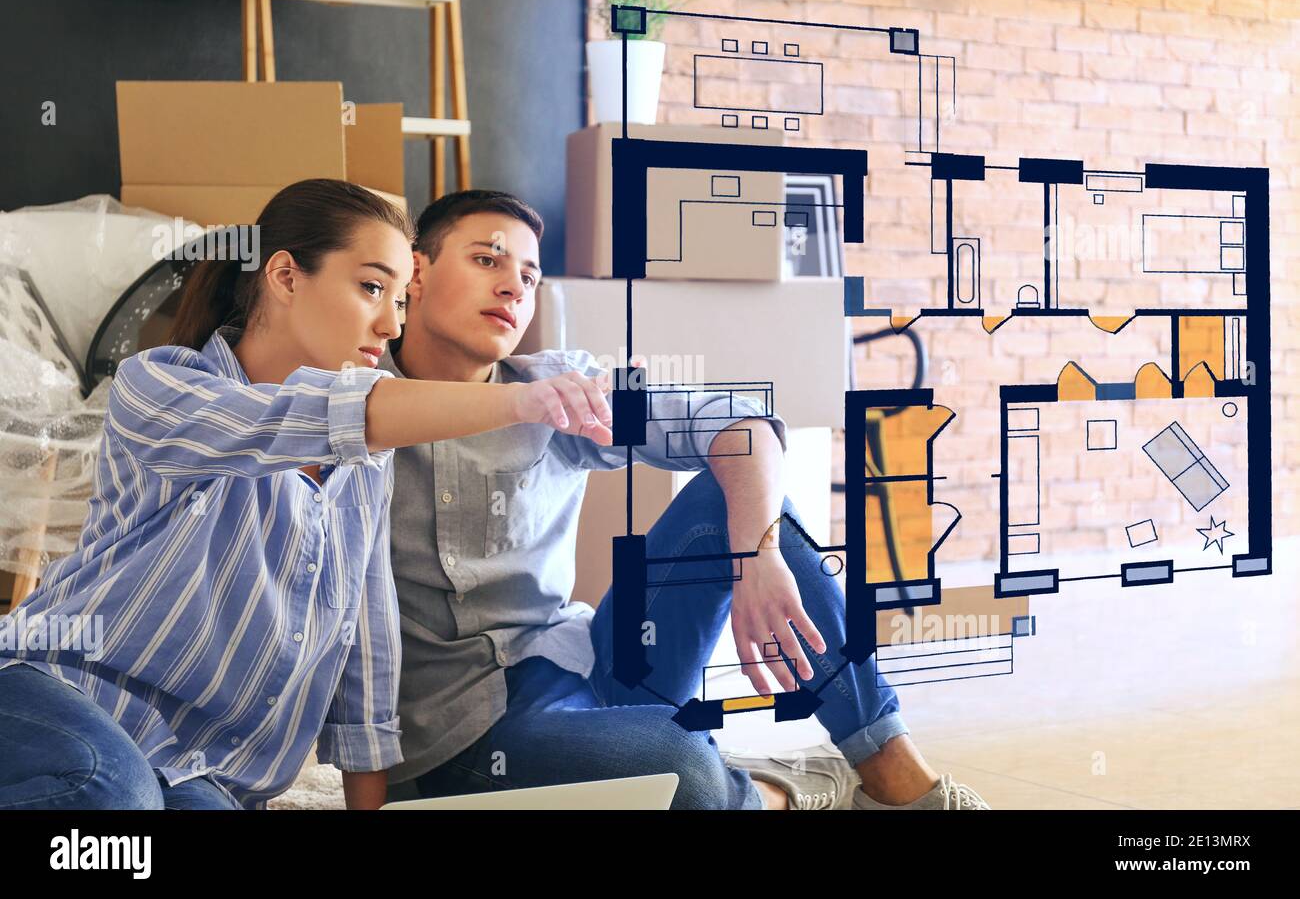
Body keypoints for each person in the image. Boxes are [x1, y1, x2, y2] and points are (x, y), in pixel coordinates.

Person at [0, 179, 615, 810]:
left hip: (205, 767)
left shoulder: (368, 463)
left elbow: (368, 647)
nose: (391, 322)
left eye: (401, 299)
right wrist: (520, 400)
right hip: (59, 695)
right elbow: (293, 420)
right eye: (373, 288)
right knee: (112, 795)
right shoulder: (158, 388)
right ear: (286, 277)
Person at [381, 189, 990, 810]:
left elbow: (742, 424)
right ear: (417, 270)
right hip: (471, 731)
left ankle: (898, 781)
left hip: (592, 669)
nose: (514, 287)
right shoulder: (354, 409)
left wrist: (758, 556)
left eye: (529, 275)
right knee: (681, 765)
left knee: (740, 508)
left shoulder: (556, 387)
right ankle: (767, 790)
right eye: (488, 261)